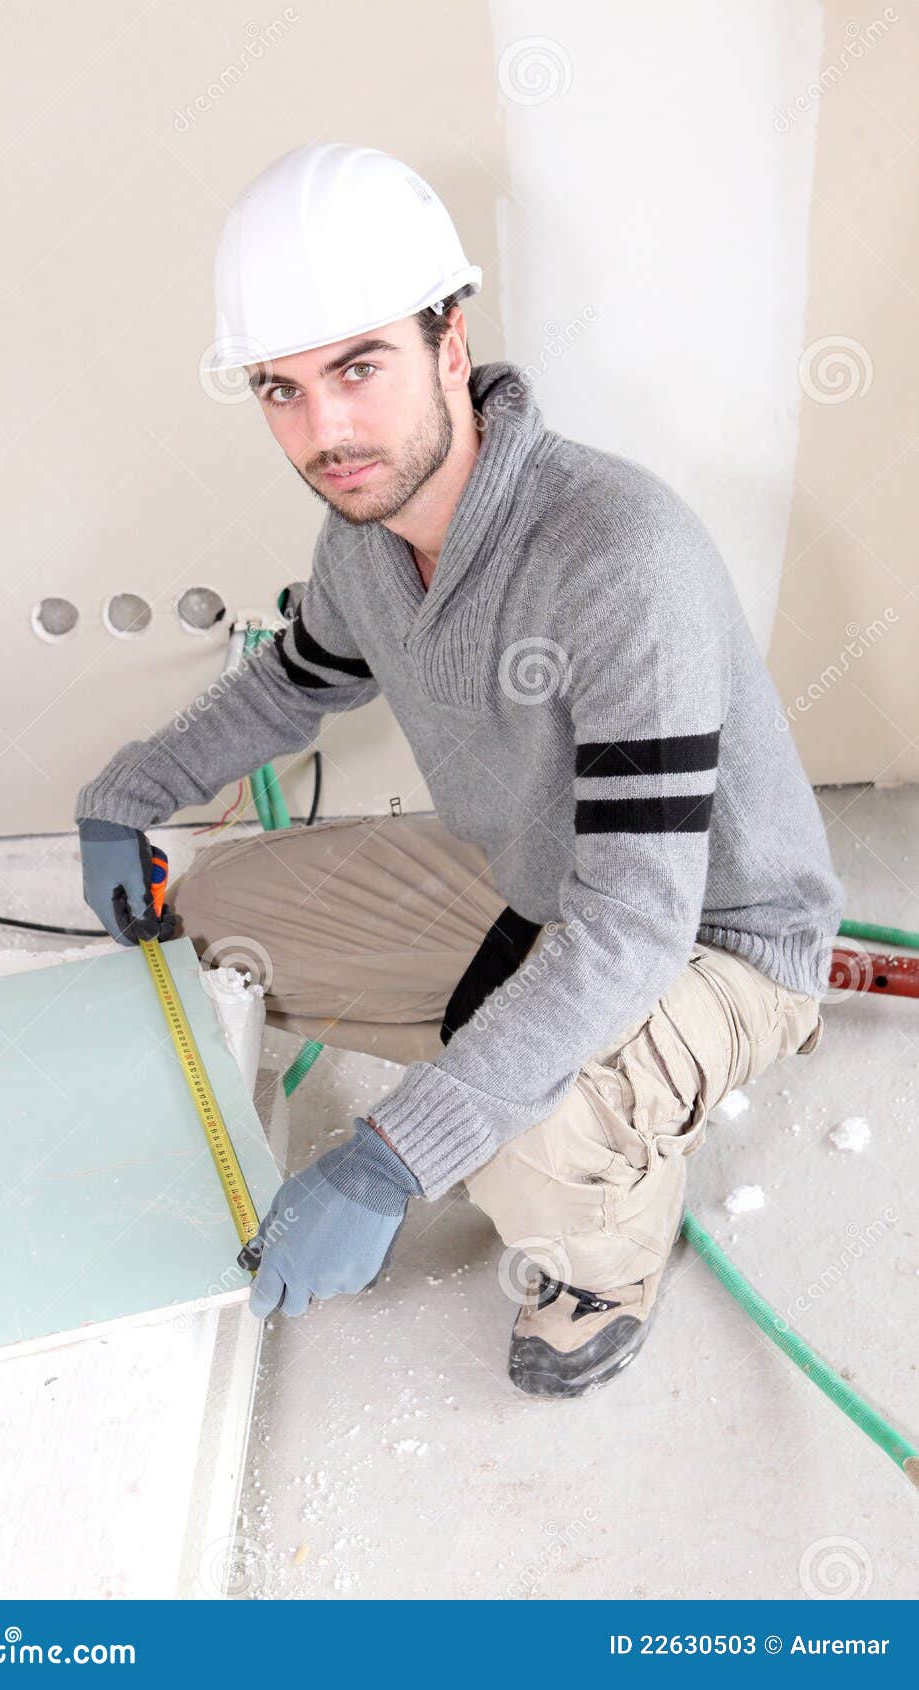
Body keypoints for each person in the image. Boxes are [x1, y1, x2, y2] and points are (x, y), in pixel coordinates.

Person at [75, 142, 845, 1397]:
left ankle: (607, 1251)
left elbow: (635, 920)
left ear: (449, 344)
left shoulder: (614, 554)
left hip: (710, 936)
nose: (322, 431)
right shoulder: (365, 537)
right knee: (216, 911)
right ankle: (529, 1051)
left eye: (356, 368)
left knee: (522, 1146)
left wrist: (393, 1150)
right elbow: (292, 684)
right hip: (529, 878)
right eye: (279, 388)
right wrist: (125, 795)